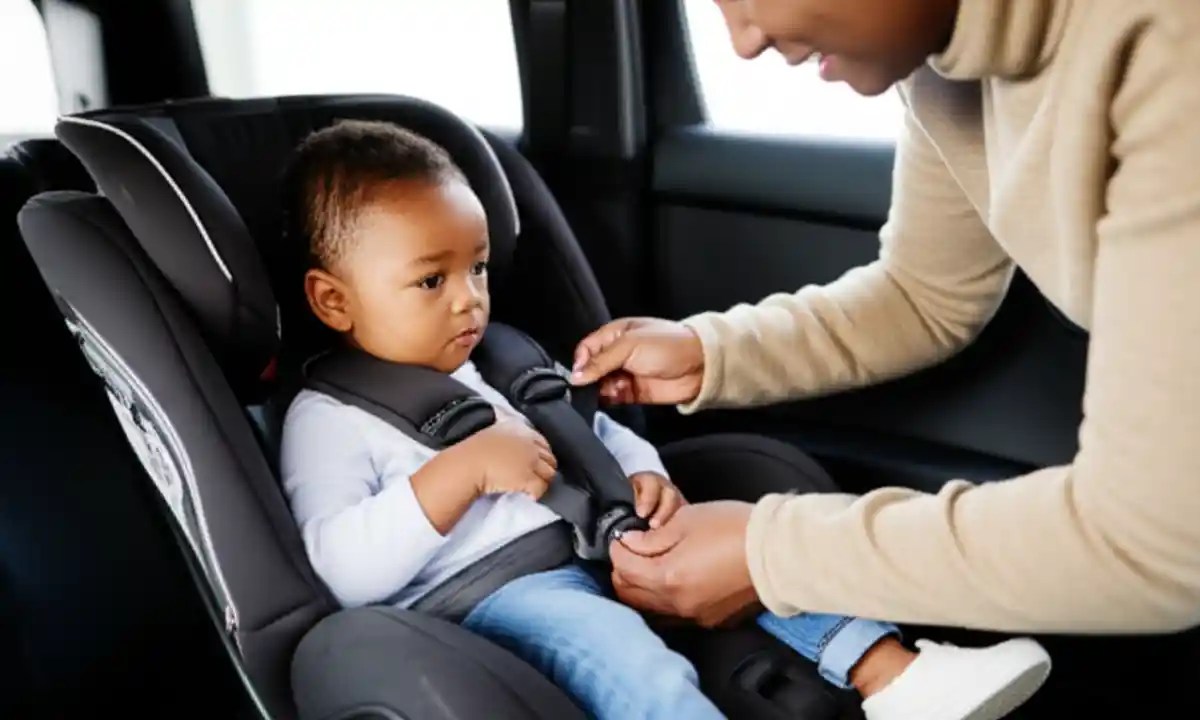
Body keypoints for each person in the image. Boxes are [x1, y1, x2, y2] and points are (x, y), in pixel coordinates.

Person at [569, 0, 1200, 712]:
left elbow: (1161, 539)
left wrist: (771, 556)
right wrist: (711, 352)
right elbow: (926, 295)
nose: (744, 42)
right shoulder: (941, 58)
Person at [276, 119, 1052, 720]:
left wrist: (641, 474)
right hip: (494, 596)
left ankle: (897, 677)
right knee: (624, 655)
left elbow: (586, 433)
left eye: (477, 268)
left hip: (600, 540)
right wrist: (458, 476)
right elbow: (338, 569)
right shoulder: (332, 418)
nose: (469, 299)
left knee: (754, 548)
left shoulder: (502, 356)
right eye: (431, 280)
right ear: (333, 300)